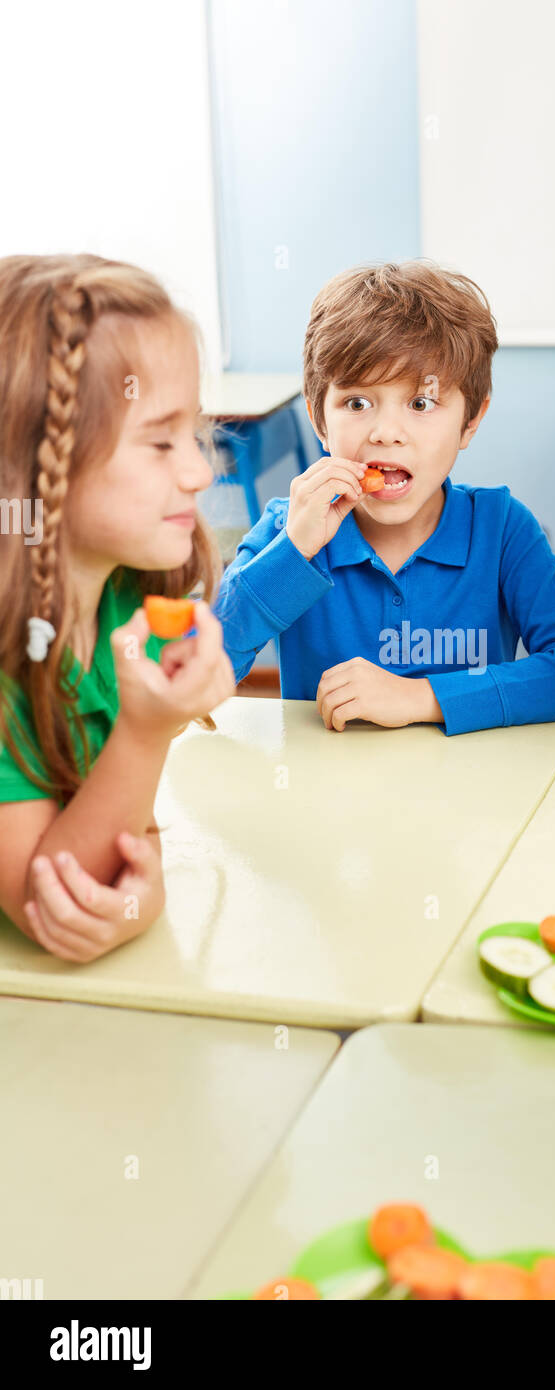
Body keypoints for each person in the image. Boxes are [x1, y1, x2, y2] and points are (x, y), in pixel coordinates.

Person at [215, 260, 555, 735]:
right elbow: (203, 671)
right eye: (357, 403)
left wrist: (421, 697)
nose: (387, 433)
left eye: (421, 404)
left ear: (471, 421)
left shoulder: (502, 529)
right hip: (326, 801)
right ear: (320, 420)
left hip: (468, 799)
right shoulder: (292, 529)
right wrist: (293, 552)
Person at [0, 255, 235, 961]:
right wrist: (148, 728)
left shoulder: (123, 599)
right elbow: (50, 903)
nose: (198, 470)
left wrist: (141, 893)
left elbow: (123, 841)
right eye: (160, 441)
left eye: (193, 436)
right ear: (44, 463)